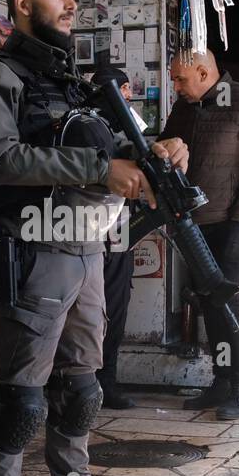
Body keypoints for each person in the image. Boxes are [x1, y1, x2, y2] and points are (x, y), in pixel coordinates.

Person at [0, 0, 190, 476]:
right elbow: (1, 160)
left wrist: (161, 147)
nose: (70, 3)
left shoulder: (72, 82)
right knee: (18, 406)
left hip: (88, 249)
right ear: (23, 3)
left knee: (81, 392)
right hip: (32, 251)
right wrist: (98, 169)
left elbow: (107, 145)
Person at [162, 50, 239, 420]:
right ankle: (221, 381)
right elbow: (166, 146)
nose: (175, 86)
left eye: (181, 79)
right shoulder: (186, 106)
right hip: (192, 224)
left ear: (203, 71)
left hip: (233, 223)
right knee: (208, 302)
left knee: (231, 303)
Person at [89, 66, 138, 410]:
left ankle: (104, 381)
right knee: (100, 305)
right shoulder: (89, 121)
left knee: (112, 303)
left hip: (113, 222)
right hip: (92, 222)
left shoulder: (127, 122)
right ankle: (93, 382)